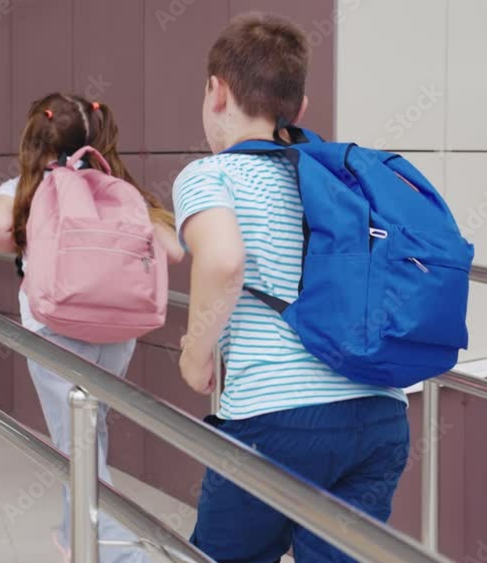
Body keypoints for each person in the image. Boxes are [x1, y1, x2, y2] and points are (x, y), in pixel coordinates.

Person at [172, 14, 410, 562]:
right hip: (379, 416)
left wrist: (194, 352)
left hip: (276, 421)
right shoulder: (339, 180)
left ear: (216, 91)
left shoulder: (211, 175)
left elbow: (225, 260)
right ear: (299, 110)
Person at [0, 93, 183, 562]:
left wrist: (34, 226)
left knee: (77, 446)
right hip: (118, 330)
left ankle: (124, 555)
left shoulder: (25, 187)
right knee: (91, 433)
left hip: (54, 328)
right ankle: (76, 539)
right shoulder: (119, 188)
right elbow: (172, 250)